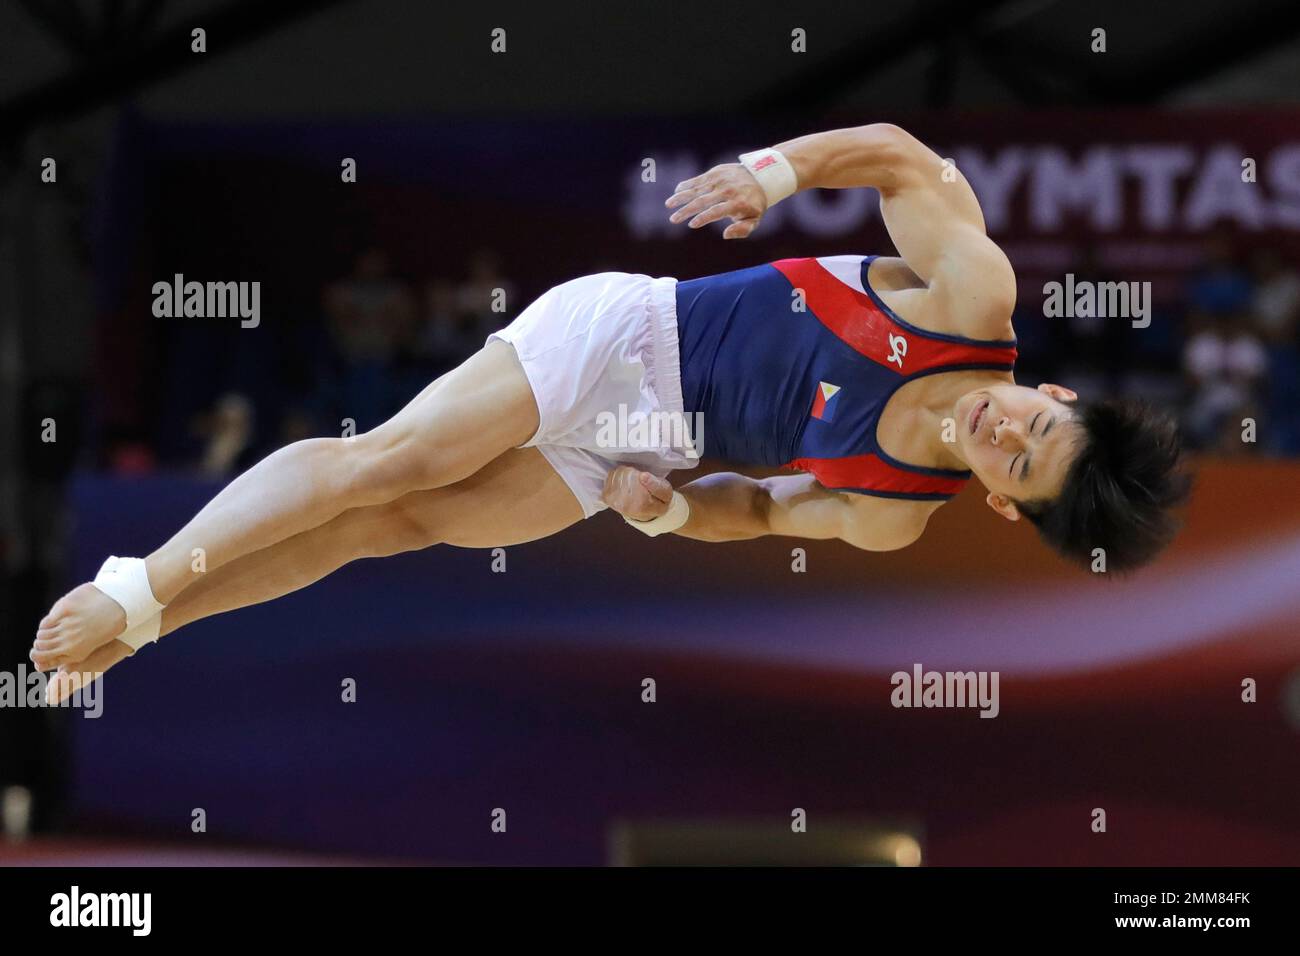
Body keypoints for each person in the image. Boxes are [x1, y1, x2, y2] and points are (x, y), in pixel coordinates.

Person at [31, 123, 1191, 703]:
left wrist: (659, 517)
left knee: (394, 528)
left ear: (1000, 499)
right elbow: (897, 158)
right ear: (1053, 391)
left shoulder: (891, 513)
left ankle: (143, 632)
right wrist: (774, 174)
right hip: (628, 332)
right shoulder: (970, 297)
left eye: (1022, 464)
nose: (1007, 431)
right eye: (1034, 421)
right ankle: (136, 578)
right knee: (395, 460)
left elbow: (749, 509)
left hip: (640, 445)